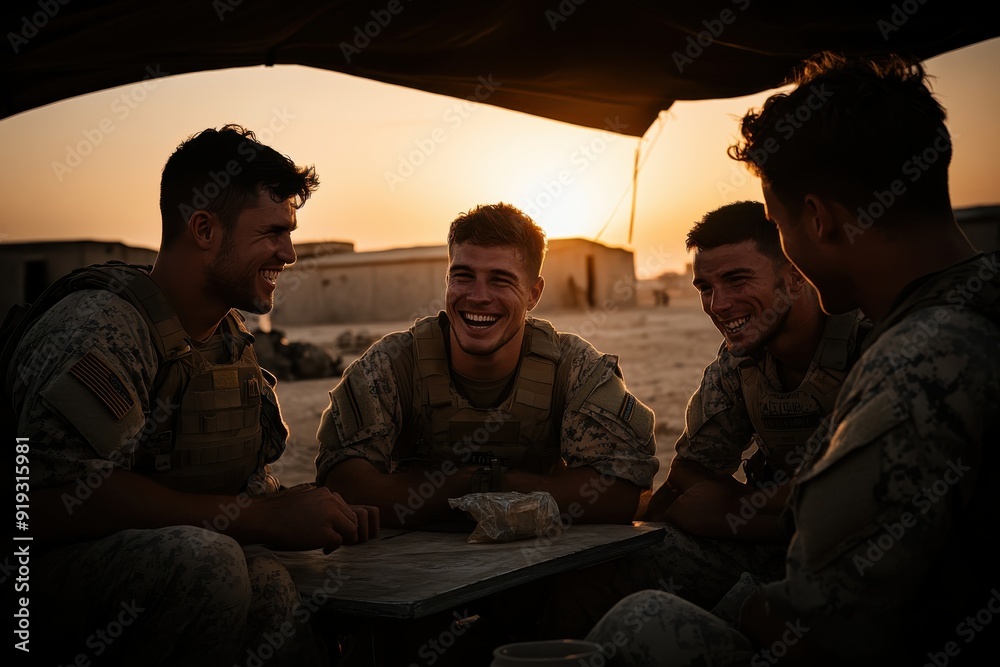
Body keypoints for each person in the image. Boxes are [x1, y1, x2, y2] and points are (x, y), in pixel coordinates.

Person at [586, 51, 999, 666]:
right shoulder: (969, 309)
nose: (718, 303)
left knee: (643, 622)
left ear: (817, 219)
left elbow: (823, 627)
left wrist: (740, 601)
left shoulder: (915, 360)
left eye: (777, 225)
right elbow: (691, 487)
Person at [3, 124, 378, 666]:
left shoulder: (227, 338)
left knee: (271, 584)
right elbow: (42, 502)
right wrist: (261, 518)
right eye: (273, 233)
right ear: (204, 228)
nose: (290, 254)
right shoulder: (101, 329)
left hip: (136, 565)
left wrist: (309, 509)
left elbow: (237, 482)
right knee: (208, 565)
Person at [541, 201, 868, 637]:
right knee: (596, 577)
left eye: (737, 280)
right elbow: (690, 475)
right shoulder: (741, 362)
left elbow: (862, 494)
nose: (719, 304)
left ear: (794, 276)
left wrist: (736, 510)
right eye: (705, 287)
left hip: (869, 552)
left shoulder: (869, 342)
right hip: (776, 539)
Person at [316, 202, 658, 527]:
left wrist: (478, 485)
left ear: (533, 294)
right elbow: (341, 485)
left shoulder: (572, 366)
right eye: (463, 276)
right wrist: (480, 489)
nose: (478, 296)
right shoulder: (394, 364)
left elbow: (619, 492)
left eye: (500, 280)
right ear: (447, 281)